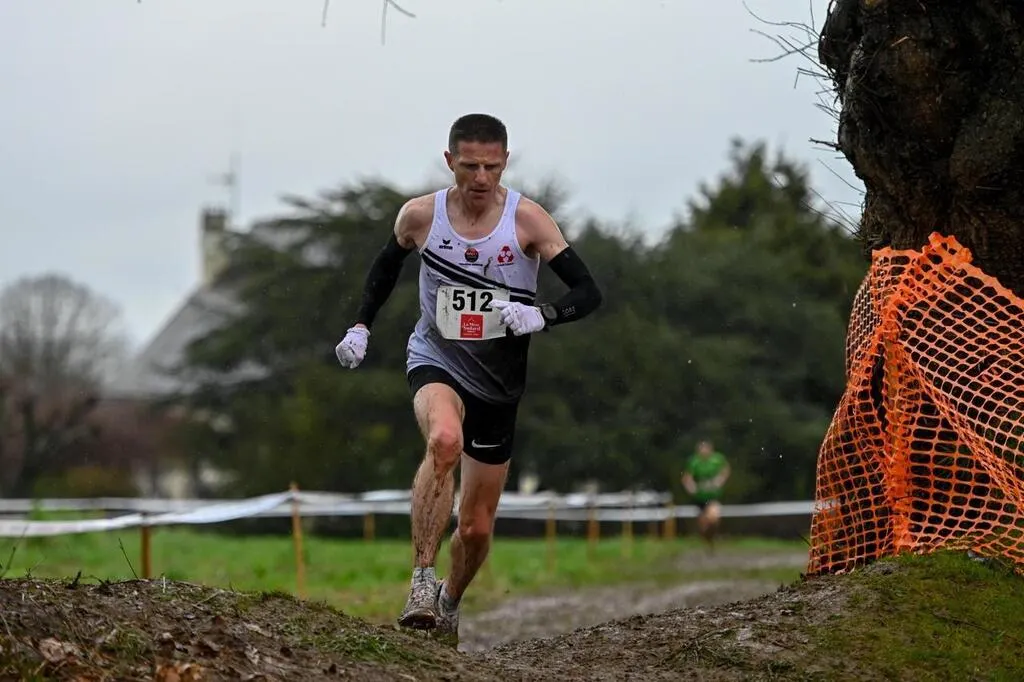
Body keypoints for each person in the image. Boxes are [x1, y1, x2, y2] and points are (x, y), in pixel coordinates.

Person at [333, 113, 603, 646]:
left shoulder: (528, 220)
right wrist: (361, 326)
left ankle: (449, 600)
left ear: (505, 162)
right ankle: (420, 581)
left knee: (477, 527)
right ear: (449, 160)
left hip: (500, 382)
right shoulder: (419, 217)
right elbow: (384, 270)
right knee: (443, 440)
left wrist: (544, 314)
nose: (481, 178)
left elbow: (589, 291)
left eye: (492, 167)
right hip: (437, 355)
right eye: (471, 166)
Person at [681, 439, 731, 547]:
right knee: (703, 524)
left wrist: (720, 480)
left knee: (714, 518)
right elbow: (687, 477)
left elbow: (726, 469)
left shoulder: (717, 459)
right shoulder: (694, 461)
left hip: (713, 496)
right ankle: (707, 538)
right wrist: (691, 487)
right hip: (700, 497)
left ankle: (712, 535)